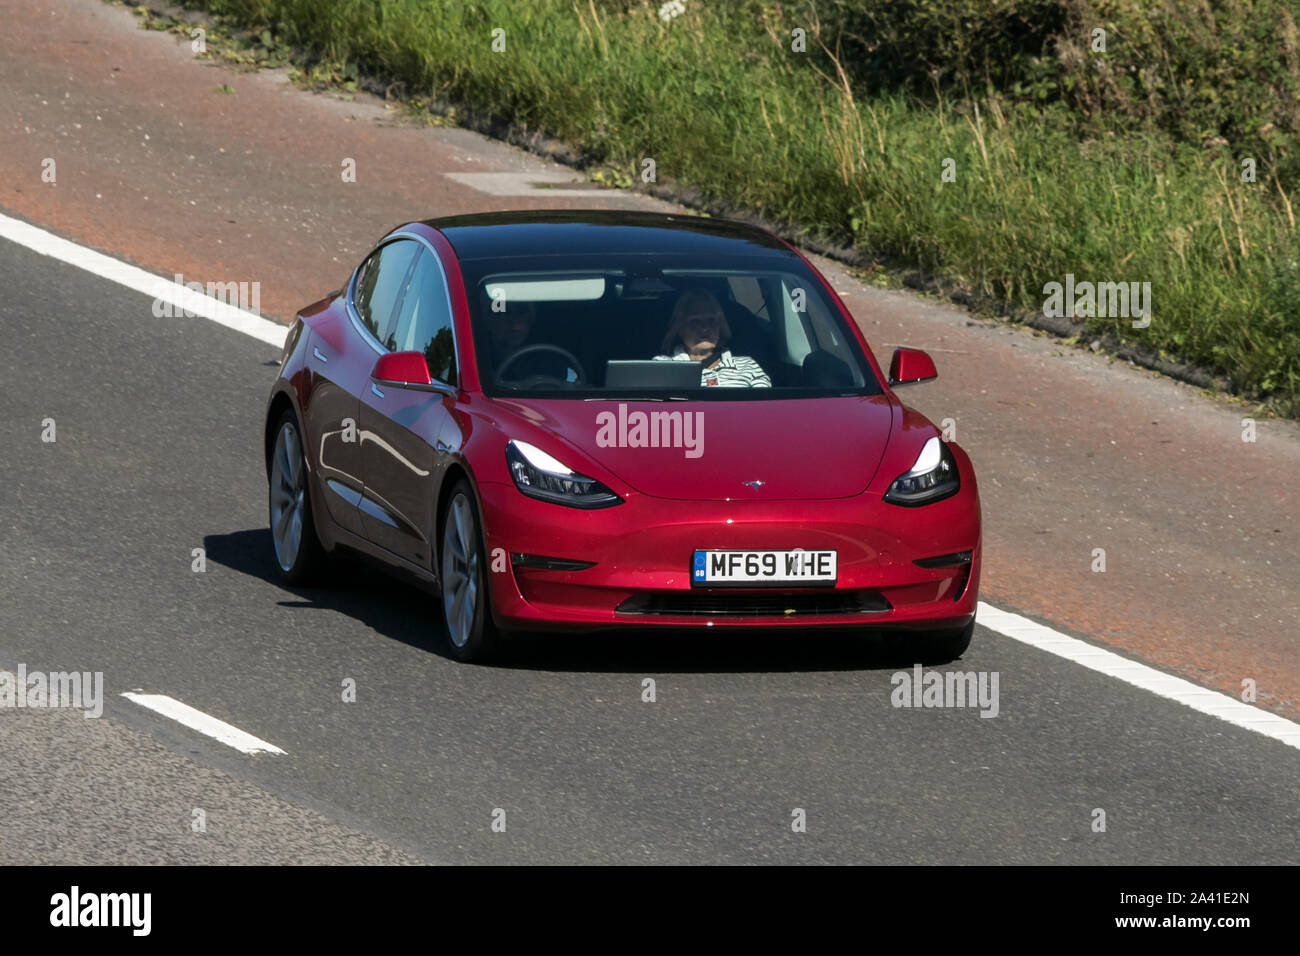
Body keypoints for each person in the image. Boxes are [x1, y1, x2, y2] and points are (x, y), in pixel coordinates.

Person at [654, 290, 770, 387]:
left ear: (720, 326)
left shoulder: (747, 365)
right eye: (695, 321)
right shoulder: (661, 366)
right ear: (679, 328)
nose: (705, 328)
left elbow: (766, 410)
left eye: (711, 321)